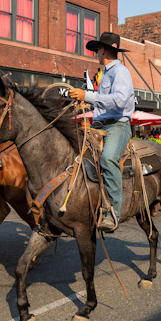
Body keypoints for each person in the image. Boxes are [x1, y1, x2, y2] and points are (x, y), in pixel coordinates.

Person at [68, 32, 135, 233]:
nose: (97, 53)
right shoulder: (105, 73)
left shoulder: (119, 72)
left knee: (107, 160)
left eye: (98, 49)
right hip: (100, 125)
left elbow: (121, 100)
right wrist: (84, 101)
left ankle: (112, 212)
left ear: (103, 50)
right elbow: (102, 101)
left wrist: (87, 95)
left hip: (117, 126)